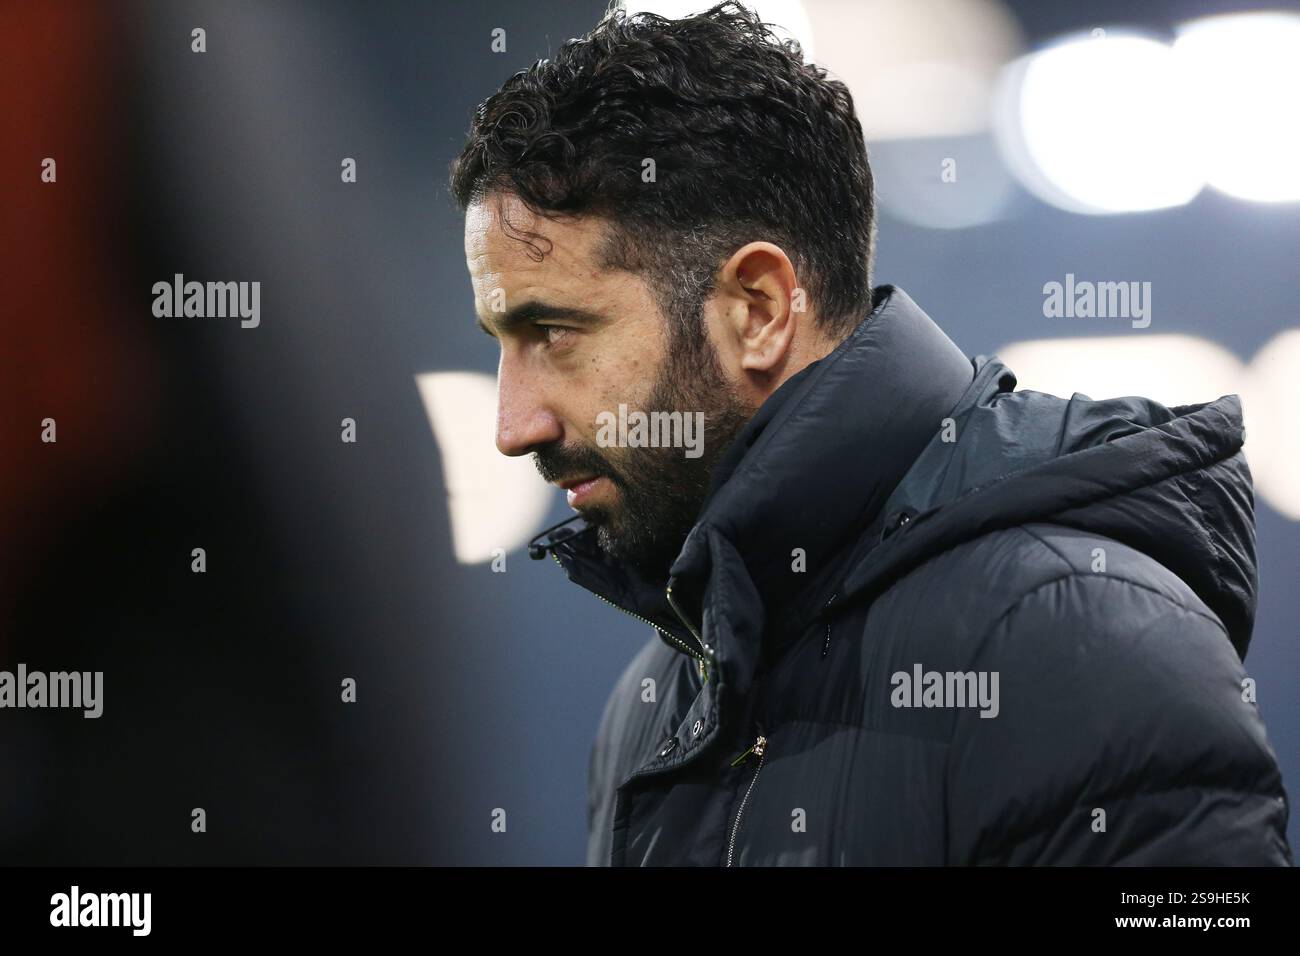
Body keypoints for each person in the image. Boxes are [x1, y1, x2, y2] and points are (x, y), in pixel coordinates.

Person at [450, 2, 1291, 865]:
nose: (514, 427)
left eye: (554, 332)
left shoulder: (1087, 647)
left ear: (759, 310)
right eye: (503, 346)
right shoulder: (653, 705)